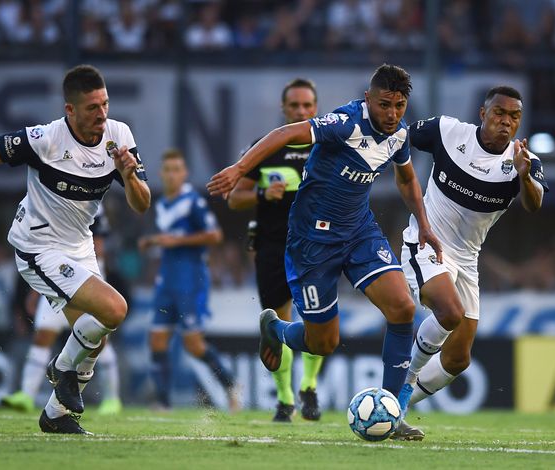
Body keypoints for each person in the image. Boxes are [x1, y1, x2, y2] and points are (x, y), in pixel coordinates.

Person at [208, 64, 441, 437]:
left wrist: (425, 225)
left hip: (359, 232)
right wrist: (240, 168)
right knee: (324, 342)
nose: (393, 113)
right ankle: (277, 329)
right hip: (312, 241)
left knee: (403, 309)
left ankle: (392, 412)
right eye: (385, 105)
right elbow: (286, 133)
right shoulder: (346, 122)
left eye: (399, 106)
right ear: (369, 99)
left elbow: (408, 178)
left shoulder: (398, 135)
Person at [0, 64, 150, 434]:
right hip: (38, 245)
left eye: (105, 104)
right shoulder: (45, 139)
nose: (102, 114)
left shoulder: (119, 136)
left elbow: (141, 204)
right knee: (115, 308)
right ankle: (60, 371)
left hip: (79, 246)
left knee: (93, 335)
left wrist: (129, 176)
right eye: (93, 107)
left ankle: (55, 415)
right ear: (70, 110)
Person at [396, 86, 548, 439]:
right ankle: (399, 390)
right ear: (483, 114)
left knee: (457, 359)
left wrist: (524, 175)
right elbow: (399, 137)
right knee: (448, 313)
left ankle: (395, 409)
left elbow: (534, 205)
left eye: (514, 117)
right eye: (499, 113)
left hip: (467, 259)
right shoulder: (448, 133)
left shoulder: (524, 162)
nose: (505, 122)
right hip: (427, 243)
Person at [227, 78, 325, 423]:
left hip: (316, 246)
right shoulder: (265, 147)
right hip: (272, 246)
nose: (301, 111)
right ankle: (285, 399)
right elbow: (233, 196)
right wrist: (260, 195)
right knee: (277, 322)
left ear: (316, 108)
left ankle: (309, 387)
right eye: (294, 106)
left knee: (317, 317)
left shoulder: (327, 145)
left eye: (307, 105)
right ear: (283, 109)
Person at [138, 149, 239, 412]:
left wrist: (178, 241)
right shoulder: (161, 205)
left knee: (193, 344)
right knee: (157, 340)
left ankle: (229, 385)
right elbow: (168, 238)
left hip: (190, 281)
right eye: (167, 170)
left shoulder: (193, 202)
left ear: (184, 174)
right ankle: (162, 402)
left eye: (176, 169)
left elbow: (215, 235)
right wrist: (151, 241)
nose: (171, 175)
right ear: (161, 174)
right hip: (166, 281)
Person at [1, 205, 123, 416]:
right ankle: (27, 395)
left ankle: (112, 399)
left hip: (85, 277)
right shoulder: (50, 196)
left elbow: (99, 246)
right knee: (43, 335)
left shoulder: (94, 203)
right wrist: (35, 291)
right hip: (58, 274)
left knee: (99, 342)